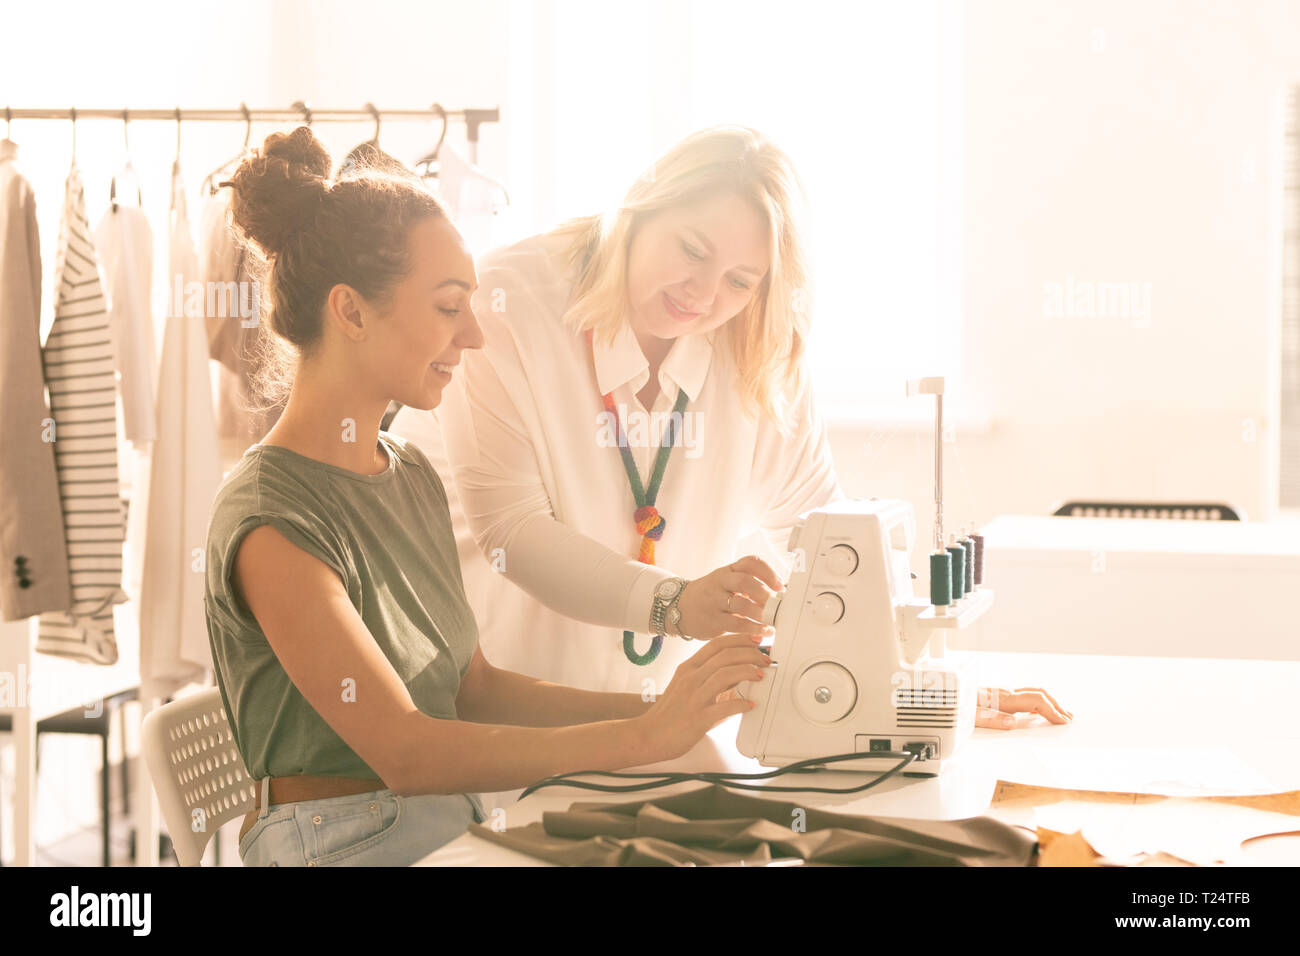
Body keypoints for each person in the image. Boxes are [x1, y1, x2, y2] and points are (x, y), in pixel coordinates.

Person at [203, 127, 771, 867]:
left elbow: (475, 690)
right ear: (349, 312)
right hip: (338, 843)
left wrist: (667, 714)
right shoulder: (272, 520)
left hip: (447, 823)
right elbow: (406, 750)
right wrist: (645, 737)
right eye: (447, 308)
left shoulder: (403, 475)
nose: (473, 336)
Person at [390, 125, 1072, 740]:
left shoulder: (755, 338)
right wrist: (678, 603)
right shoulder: (510, 301)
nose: (703, 294)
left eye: (740, 280)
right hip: (511, 729)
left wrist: (921, 692)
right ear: (642, 203)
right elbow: (512, 532)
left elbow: (830, 542)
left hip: (670, 730)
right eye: (692, 249)